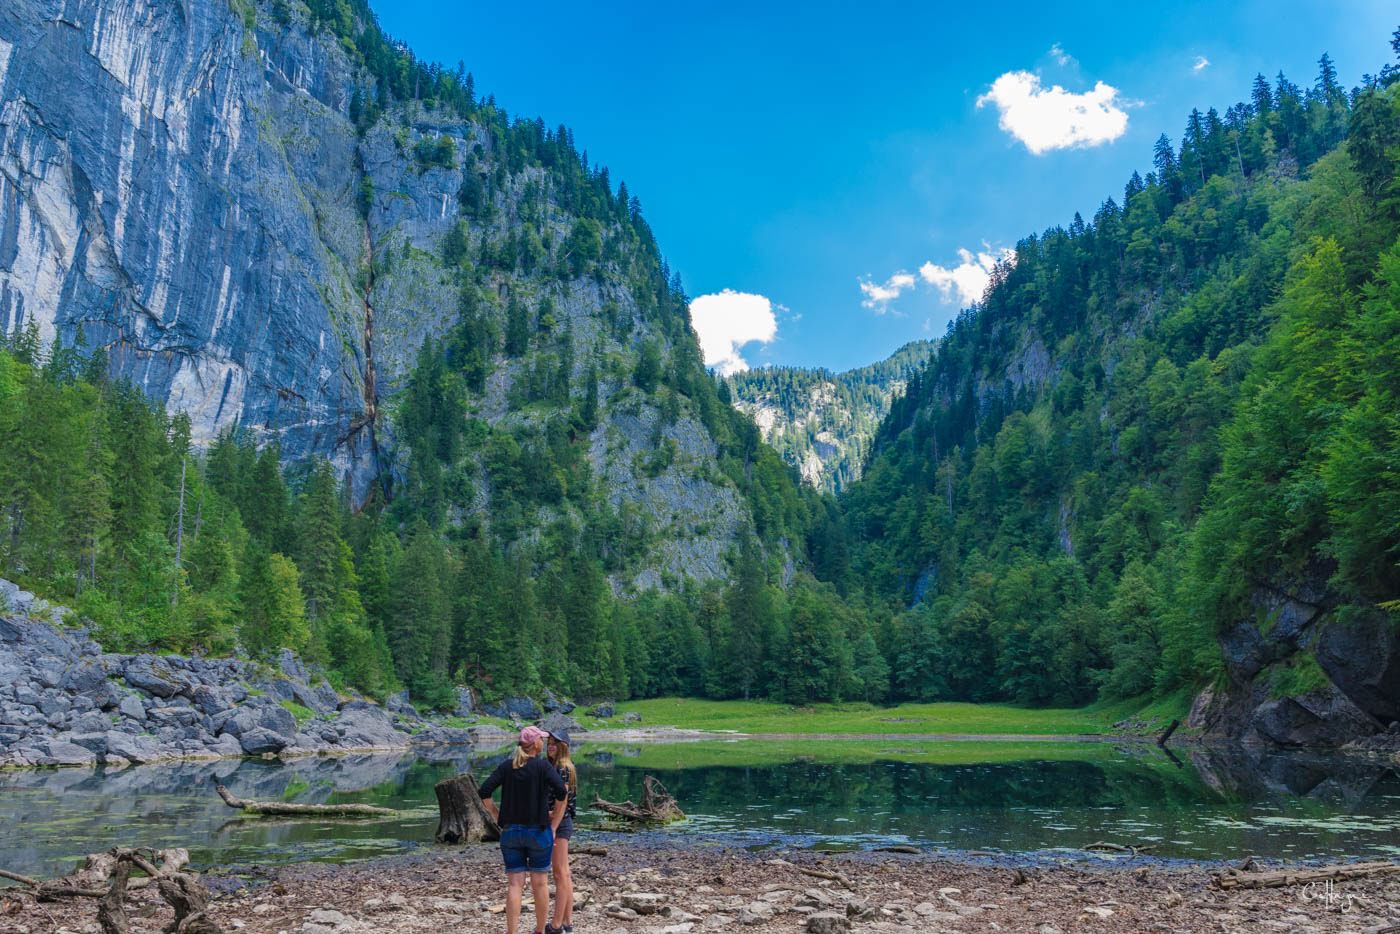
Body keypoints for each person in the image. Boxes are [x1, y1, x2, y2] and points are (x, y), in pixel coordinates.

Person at [479, 726, 568, 934]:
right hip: (538, 832)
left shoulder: (506, 766)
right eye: (542, 740)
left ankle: (512, 932)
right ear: (536, 744)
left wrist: (496, 815)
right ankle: (539, 930)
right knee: (540, 884)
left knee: (515, 885)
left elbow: (484, 791)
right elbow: (562, 793)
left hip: (510, 832)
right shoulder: (543, 767)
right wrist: (554, 821)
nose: (544, 743)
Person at [545, 728, 578, 934]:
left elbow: (562, 801)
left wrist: (552, 824)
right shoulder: (557, 767)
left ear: (563, 746)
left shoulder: (562, 768)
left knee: (560, 874)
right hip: (562, 822)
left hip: (560, 823)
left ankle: (556, 925)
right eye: (549, 742)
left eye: (555, 743)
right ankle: (567, 923)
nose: (550, 745)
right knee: (564, 873)